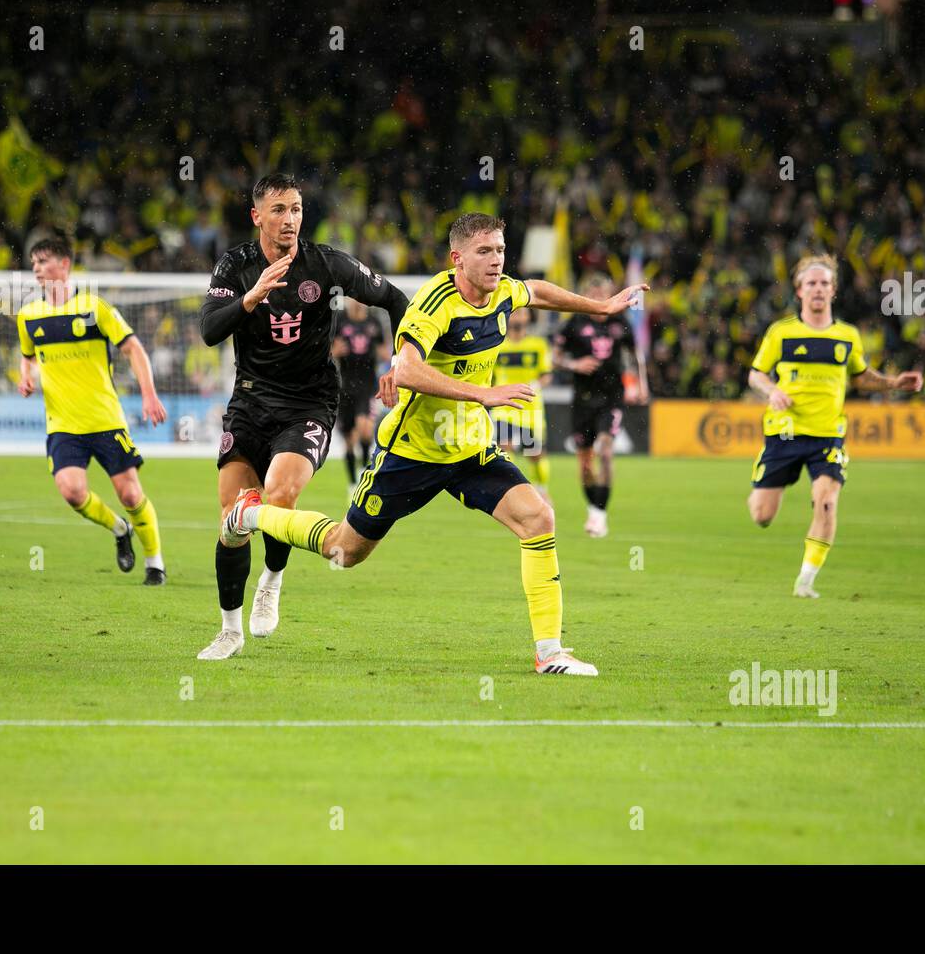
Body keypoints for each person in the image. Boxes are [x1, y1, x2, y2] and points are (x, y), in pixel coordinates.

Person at [220, 212, 648, 676]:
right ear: (457, 258)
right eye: (484, 251)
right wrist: (483, 394)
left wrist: (601, 307)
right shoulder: (435, 301)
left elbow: (538, 291)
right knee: (345, 552)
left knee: (538, 518)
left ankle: (549, 653)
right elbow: (406, 370)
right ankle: (254, 514)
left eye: (500, 250)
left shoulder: (503, 291)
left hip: (469, 451)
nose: (496, 260)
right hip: (411, 453)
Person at [196, 173, 408, 661]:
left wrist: (400, 362)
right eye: (278, 210)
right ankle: (229, 631)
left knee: (280, 493)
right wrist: (251, 299)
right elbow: (209, 329)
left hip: (309, 402)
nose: (289, 219)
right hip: (250, 401)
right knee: (232, 519)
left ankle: (272, 579)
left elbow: (396, 300)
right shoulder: (236, 266)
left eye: (295, 209)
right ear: (257, 217)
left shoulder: (325, 262)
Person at [746, 254, 923, 597]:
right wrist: (773, 390)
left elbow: (860, 378)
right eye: (811, 283)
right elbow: (755, 374)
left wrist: (892, 383)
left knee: (826, 502)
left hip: (828, 435)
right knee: (762, 515)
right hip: (784, 432)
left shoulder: (847, 336)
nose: (818, 289)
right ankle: (763, 478)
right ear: (799, 291)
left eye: (824, 283)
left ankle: (806, 581)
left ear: (833, 290)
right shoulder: (781, 333)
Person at [16, 237, 169, 584]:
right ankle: (119, 529)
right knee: (72, 491)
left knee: (130, 493)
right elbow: (28, 357)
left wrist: (149, 394)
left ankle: (155, 563)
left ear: (65, 265)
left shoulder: (94, 308)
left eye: (44, 261)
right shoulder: (28, 315)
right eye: (34, 263)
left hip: (104, 419)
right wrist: (26, 378)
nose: (37, 269)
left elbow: (133, 349)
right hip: (63, 424)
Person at [552, 276, 648, 537]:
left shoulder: (620, 322)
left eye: (602, 294)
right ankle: (594, 509)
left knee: (605, 451)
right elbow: (556, 358)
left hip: (611, 398)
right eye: (592, 295)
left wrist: (642, 384)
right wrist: (575, 365)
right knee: (585, 463)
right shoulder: (574, 322)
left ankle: (599, 513)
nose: (597, 299)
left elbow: (635, 355)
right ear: (584, 296)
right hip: (582, 400)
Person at [490, 308, 553, 502]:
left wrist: (535, 385)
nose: (518, 316)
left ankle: (542, 489)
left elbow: (546, 375)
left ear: (528, 317)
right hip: (504, 406)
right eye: (514, 313)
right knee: (504, 447)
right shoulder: (496, 345)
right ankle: (512, 492)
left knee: (535, 454)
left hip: (530, 408)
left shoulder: (538, 344)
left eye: (522, 313)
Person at [332, 298, 390, 496]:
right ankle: (352, 482)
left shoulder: (374, 321)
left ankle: (364, 470)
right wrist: (334, 351)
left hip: (367, 385)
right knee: (349, 439)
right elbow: (327, 349)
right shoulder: (339, 319)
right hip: (345, 385)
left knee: (365, 430)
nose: (357, 302)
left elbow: (384, 350)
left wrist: (389, 356)